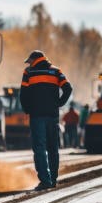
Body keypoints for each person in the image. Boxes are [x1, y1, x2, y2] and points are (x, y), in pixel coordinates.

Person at [20, 50, 73, 190]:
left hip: (37, 116)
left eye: (29, 60)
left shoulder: (28, 72)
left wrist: (27, 109)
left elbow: (23, 94)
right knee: (53, 148)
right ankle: (53, 179)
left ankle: (45, 180)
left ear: (34, 60)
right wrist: (59, 103)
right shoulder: (56, 71)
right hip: (52, 116)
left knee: (39, 149)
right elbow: (68, 88)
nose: (29, 63)